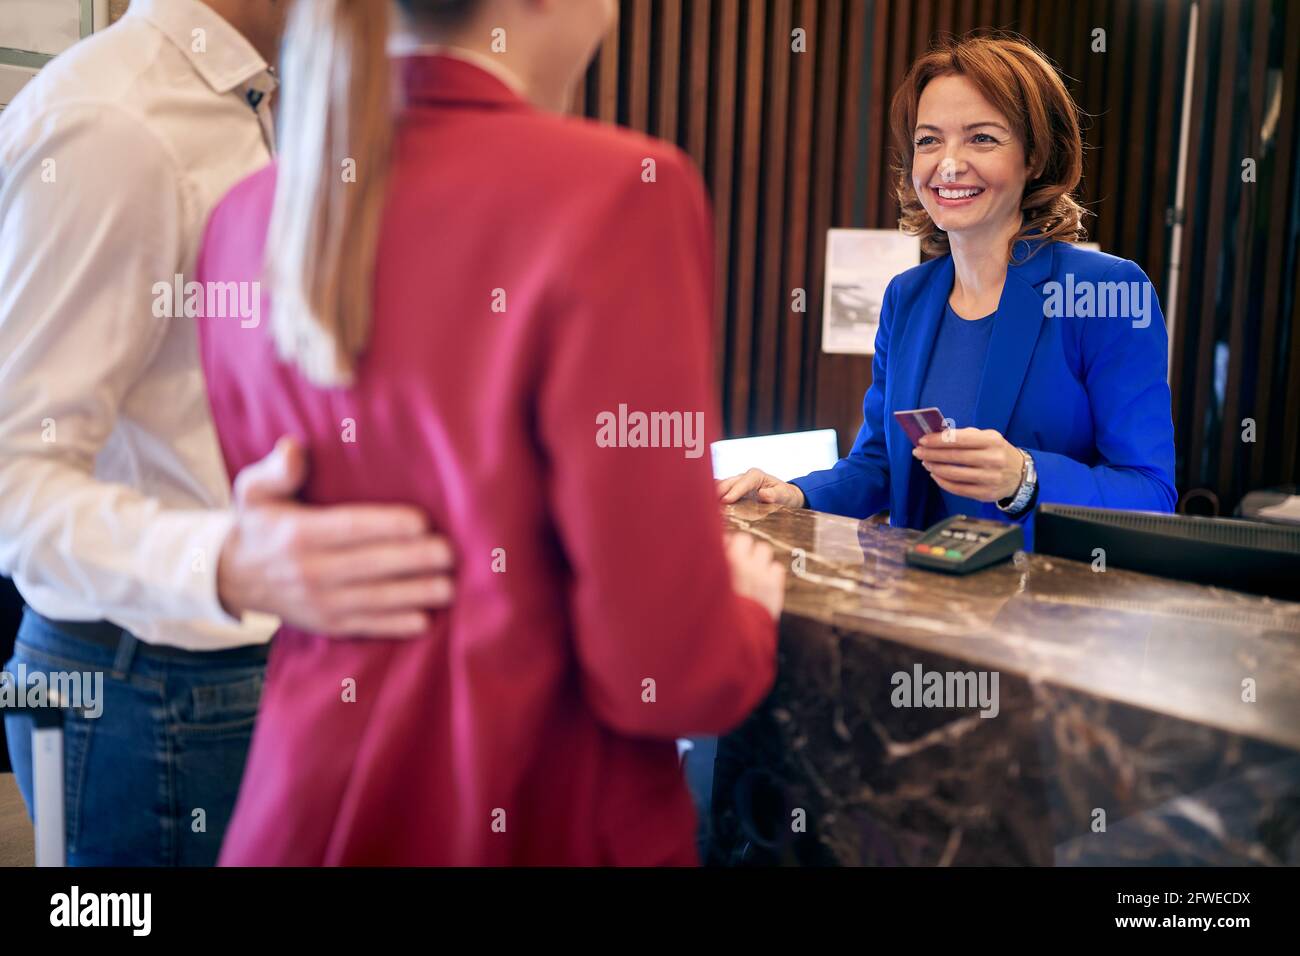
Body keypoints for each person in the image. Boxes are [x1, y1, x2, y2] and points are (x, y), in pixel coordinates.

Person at [195, 0, 784, 866]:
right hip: (531, 807)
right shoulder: (619, 193)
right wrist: (742, 615)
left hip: (303, 803)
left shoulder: (246, 216)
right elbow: (664, 674)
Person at [0, 0, 457, 866]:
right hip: (146, 690)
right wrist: (231, 560)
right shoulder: (111, 122)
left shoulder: (273, 106)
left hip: (245, 672)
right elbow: (12, 479)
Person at [719, 35, 1176, 547]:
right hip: (922, 605)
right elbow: (881, 465)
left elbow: (1151, 495)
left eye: (982, 138)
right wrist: (796, 494)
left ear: (1034, 158)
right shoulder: (907, 298)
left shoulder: (1108, 291)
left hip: (1048, 614)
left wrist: (1024, 479)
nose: (949, 164)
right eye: (928, 140)